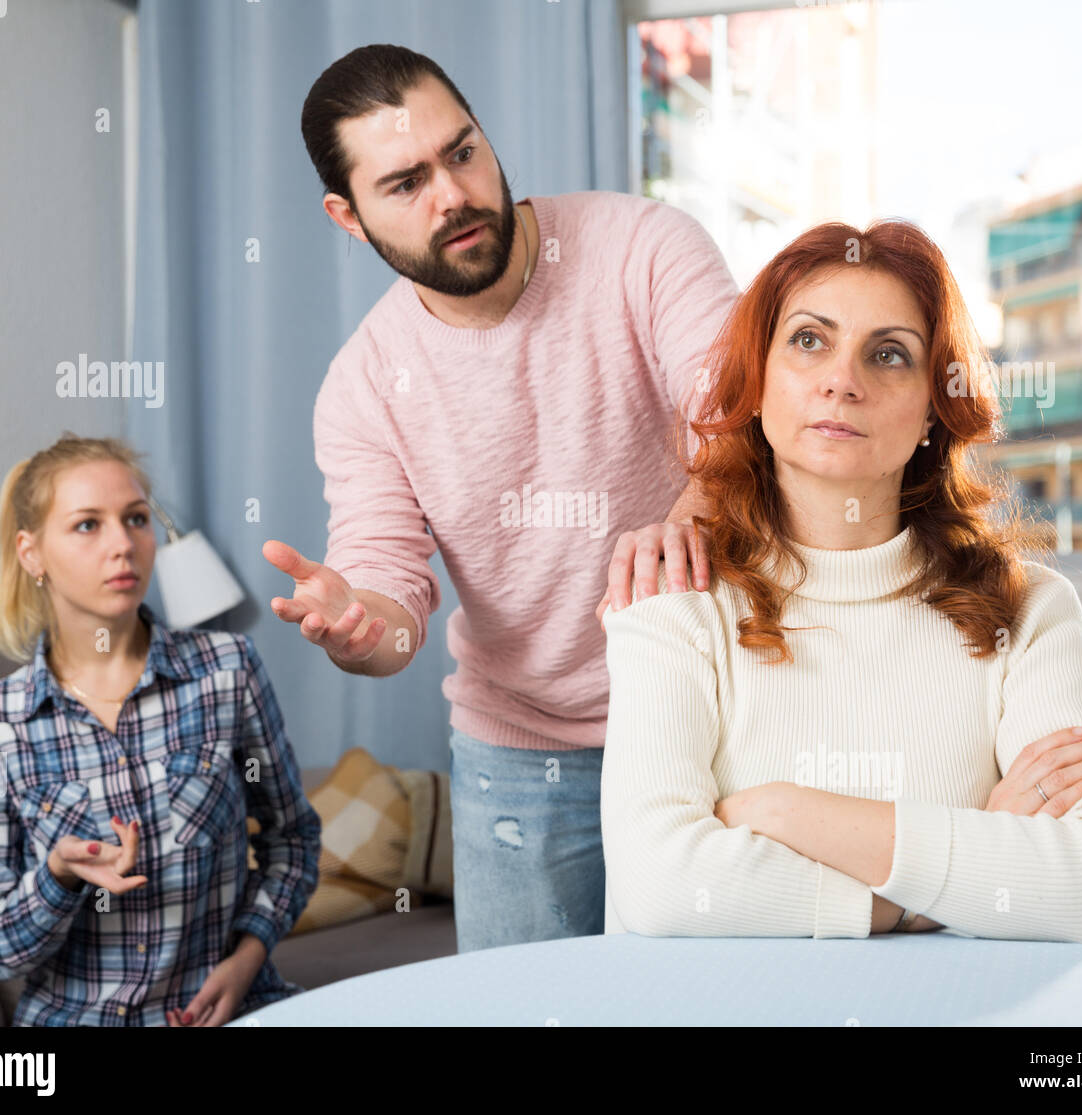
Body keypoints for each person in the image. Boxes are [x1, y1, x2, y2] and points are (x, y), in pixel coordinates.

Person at [265, 44, 736, 952]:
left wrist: (696, 510)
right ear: (347, 217)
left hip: (711, 712)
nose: (452, 196)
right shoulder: (361, 388)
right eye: (405, 183)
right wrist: (362, 626)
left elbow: (747, 422)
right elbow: (390, 599)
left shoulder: (644, 246)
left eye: (463, 152)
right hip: (522, 748)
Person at [601, 220, 1082, 943]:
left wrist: (787, 812)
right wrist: (930, 893)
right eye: (809, 340)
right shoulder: (673, 600)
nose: (842, 381)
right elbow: (662, 887)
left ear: (930, 414)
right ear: (756, 383)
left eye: (889, 355)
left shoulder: (1030, 607)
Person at [0, 433, 320, 1026]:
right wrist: (58, 877)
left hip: (237, 1009)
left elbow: (292, 841)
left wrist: (249, 955)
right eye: (87, 525)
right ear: (32, 553)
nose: (123, 544)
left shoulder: (228, 669)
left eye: (136, 518)